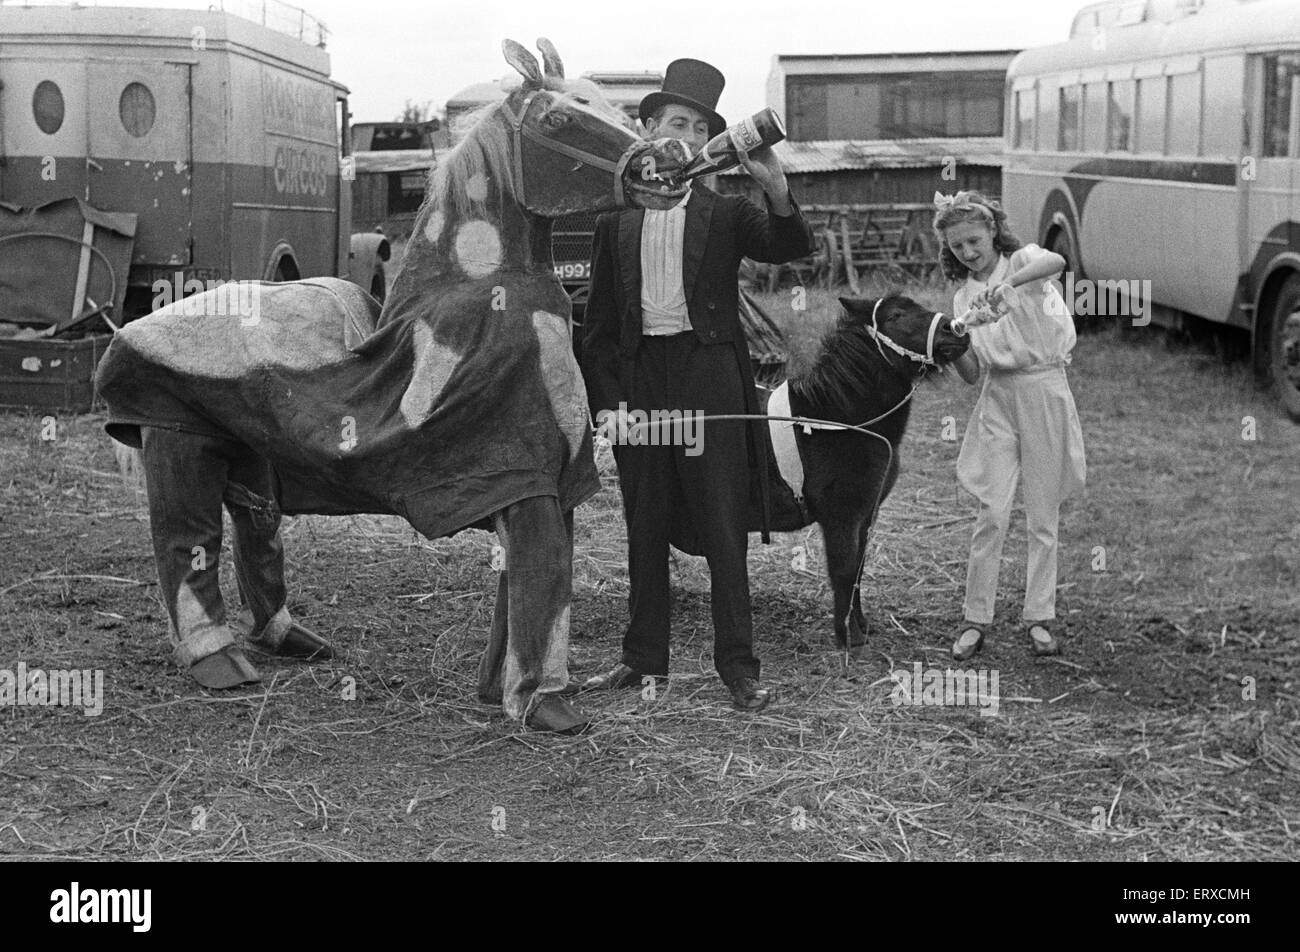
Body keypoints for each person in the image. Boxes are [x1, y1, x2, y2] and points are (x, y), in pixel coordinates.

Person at [580, 58, 812, 711]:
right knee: (644, 518)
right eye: (674, 121)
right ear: (647, 130)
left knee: (721, 519)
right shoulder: (613, 220)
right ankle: (642, 659)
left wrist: (776, 187)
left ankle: (738, 668)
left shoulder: (728, 212)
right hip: (640, 379)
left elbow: (792, 247)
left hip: (708, 374)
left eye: (698, 125)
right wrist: (607, 407)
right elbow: (597, 328)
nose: (685, 132)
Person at [934, 190, 1087, 660]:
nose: (969, 252)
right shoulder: (964, 295)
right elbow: (975, 371)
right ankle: (975, 617)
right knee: (992, 510)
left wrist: (1010, 285)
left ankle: (1039, 615)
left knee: (1042, 511)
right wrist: (949, 345)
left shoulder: (1023, 261)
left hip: (1043, 387)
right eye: (958, 246)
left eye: (975, 241)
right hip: (997, 395)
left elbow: (1057, 261)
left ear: (993, 232)